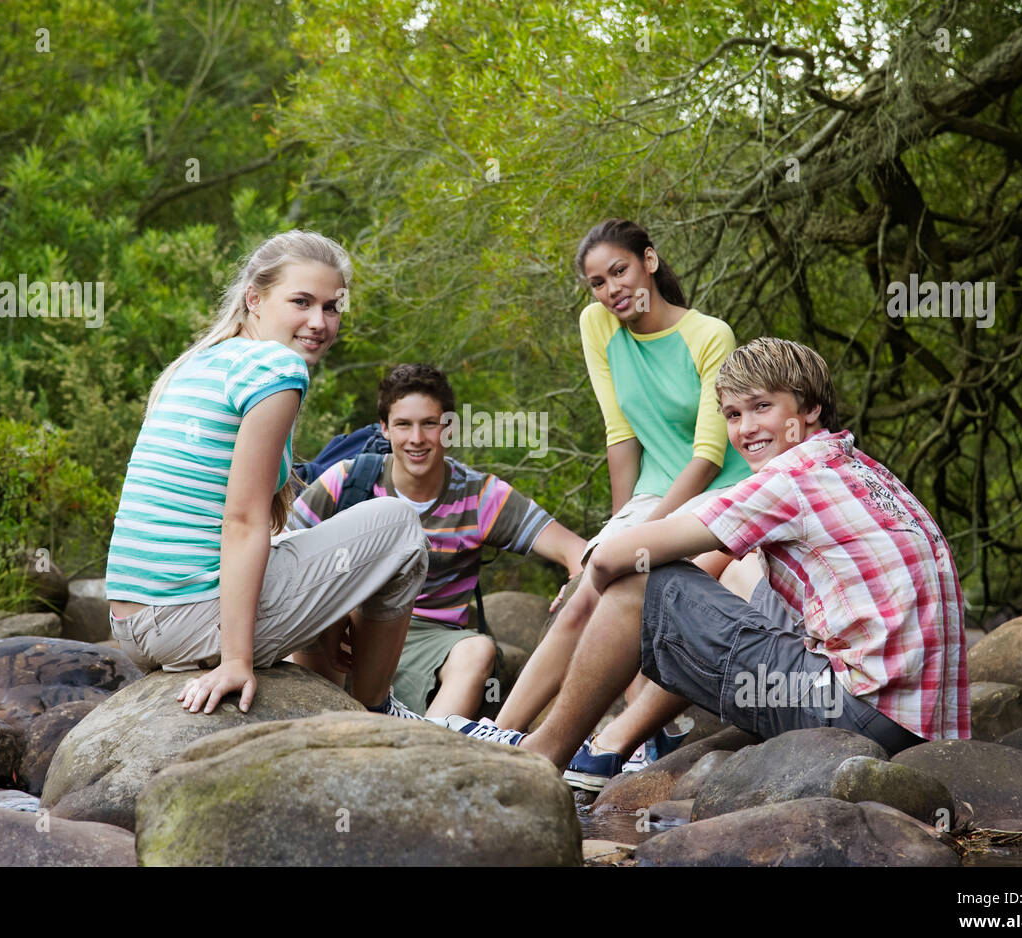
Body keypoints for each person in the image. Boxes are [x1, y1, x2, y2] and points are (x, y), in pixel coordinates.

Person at [510, 337, 970, 788]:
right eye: (733, 414)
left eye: (761, 407)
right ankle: (612, 746)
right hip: (925, 727)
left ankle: (543, 754)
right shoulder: (861, 468)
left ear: (809, 409)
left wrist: (601, 582)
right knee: (716, 584)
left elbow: (612, 556)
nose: (746, 428)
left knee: (646, 581)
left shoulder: (789, 479)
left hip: (862, 718)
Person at [105, 230, 430, 718]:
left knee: (304, 542)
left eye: (332, 307)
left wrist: (336, 600)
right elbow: (243, 521)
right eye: (301, 302)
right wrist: (236, 661)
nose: (319, 322)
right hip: (186, 620)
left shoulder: (200, 361)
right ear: (255, 299)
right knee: (399, 524)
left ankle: (329, 707)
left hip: (131, 622)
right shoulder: (275, 368)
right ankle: (375, 714)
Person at [472, 219, 756, 772]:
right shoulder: (598, 325)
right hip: (655, 489)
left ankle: (630, 741)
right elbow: (620, 435)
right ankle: (500, 733)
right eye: (597, 282)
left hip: (720, 493)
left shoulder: (709, 335)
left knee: (662, 591)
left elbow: (708, 454)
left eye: (619, 271)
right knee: (587, 587)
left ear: (649, 260)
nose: (611, 290)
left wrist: (641, 539)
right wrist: (615, 530)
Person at [286, 364, 586, 720]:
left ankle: (431, 750)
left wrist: (574, 588)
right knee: (314, 626)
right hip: (351, 630)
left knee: (478, 650)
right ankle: (320, 726)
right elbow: (284, 550)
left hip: (433, 639)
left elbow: (577, 551)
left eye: (429, 423)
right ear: (384, 428)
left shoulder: (479, 495)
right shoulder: (348, 481)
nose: (416, 438)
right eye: (403, 425)